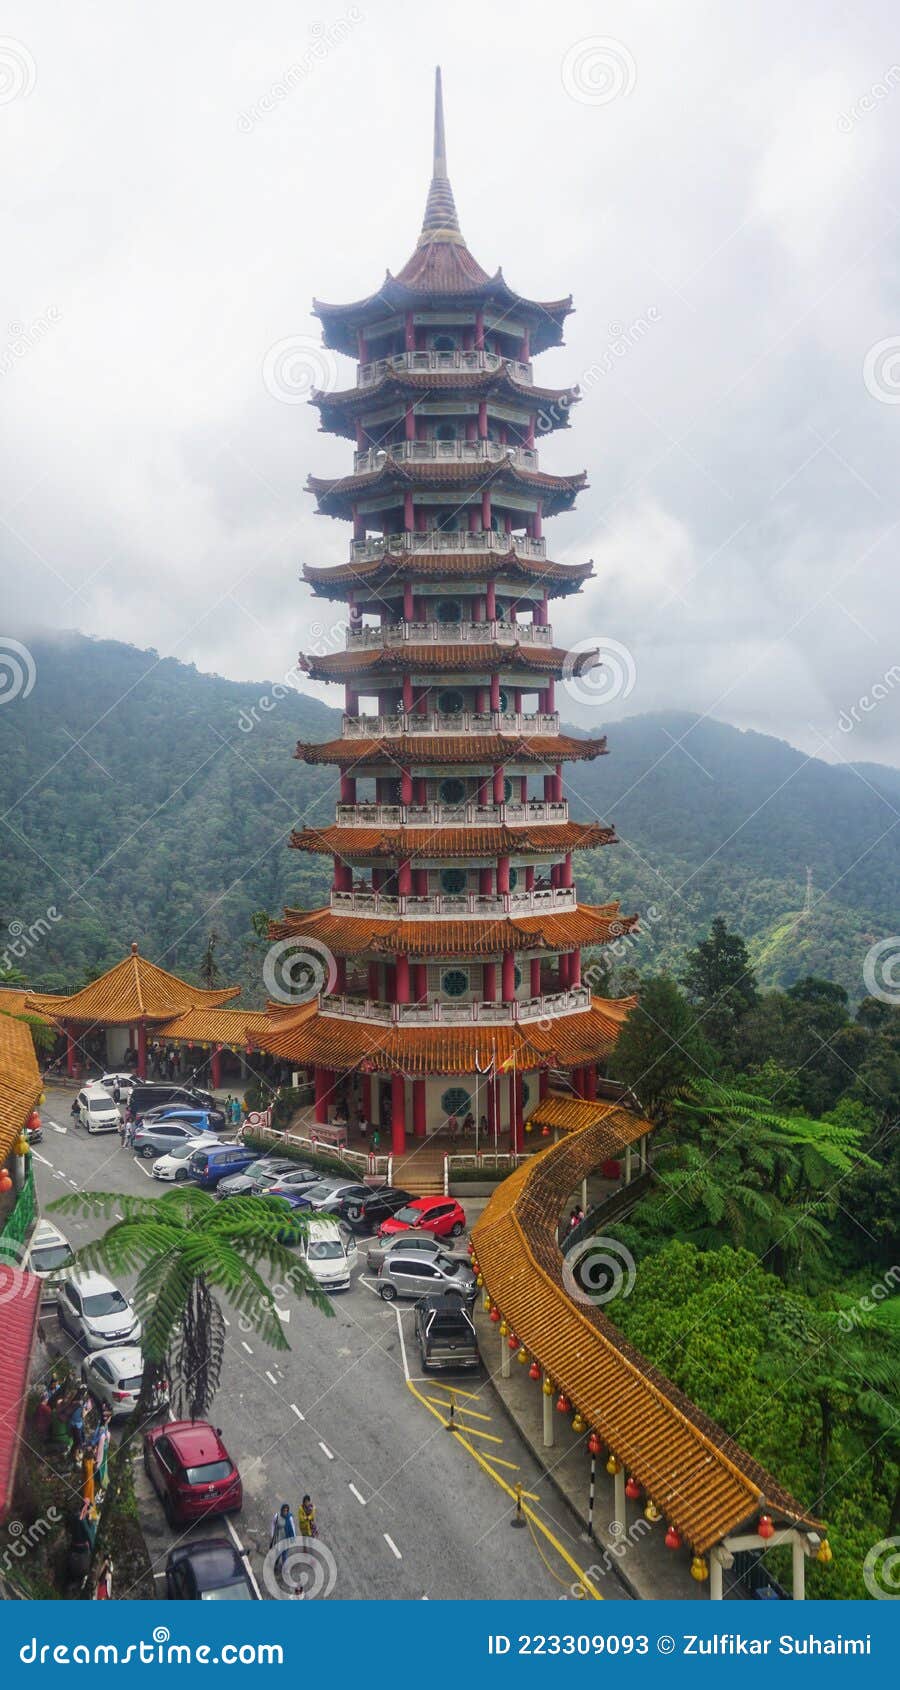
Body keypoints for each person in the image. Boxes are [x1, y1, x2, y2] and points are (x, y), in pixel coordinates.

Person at [269, 1501, 297, 1570]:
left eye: (286, 1511)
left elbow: (293, 1527)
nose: (285, 1512)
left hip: (286, 1539)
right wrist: (272, 1534)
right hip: (278, 1538)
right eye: (284, 1510)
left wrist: (294, 1537)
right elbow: (273, 1523)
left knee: (284, 1554)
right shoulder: (277, 1516)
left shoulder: (289, 1517)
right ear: (281, 1510)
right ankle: (276, 1564)